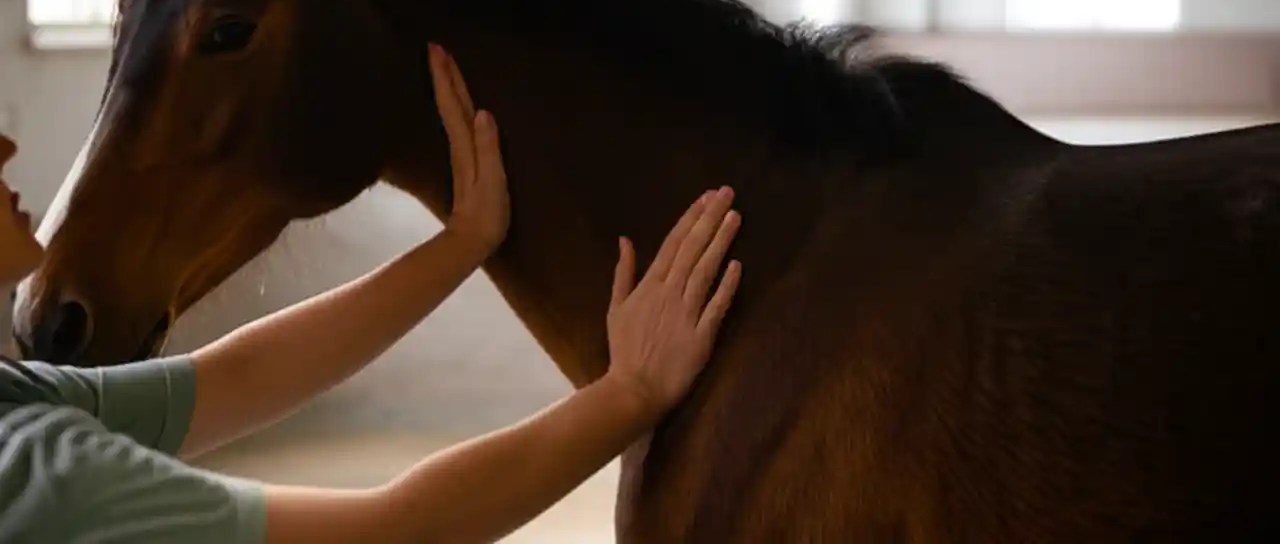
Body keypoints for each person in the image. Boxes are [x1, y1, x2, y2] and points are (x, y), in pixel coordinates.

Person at [0, 45, 743, 543]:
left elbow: (238, 379)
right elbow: (398, 529)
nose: (5, 147)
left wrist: (463, 241)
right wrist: (631, 393)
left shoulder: (15, 402)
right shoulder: (38, 470)